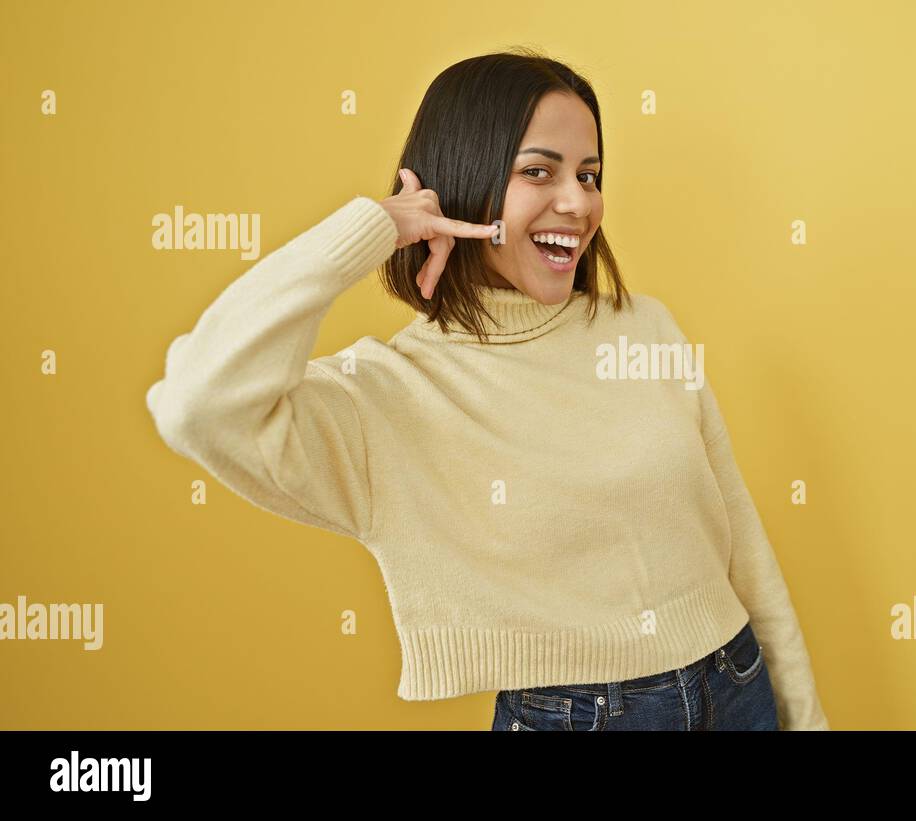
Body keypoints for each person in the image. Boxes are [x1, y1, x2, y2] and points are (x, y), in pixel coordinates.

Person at [145, 48, 829, 730]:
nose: (578, 202)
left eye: (589, 175)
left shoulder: (644, 328)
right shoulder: (385, 396)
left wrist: (805, 718)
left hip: (738, 683)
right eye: (539, 171)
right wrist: (376, 227)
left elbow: (743, 547)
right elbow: (198, 403)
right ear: (464, 186)